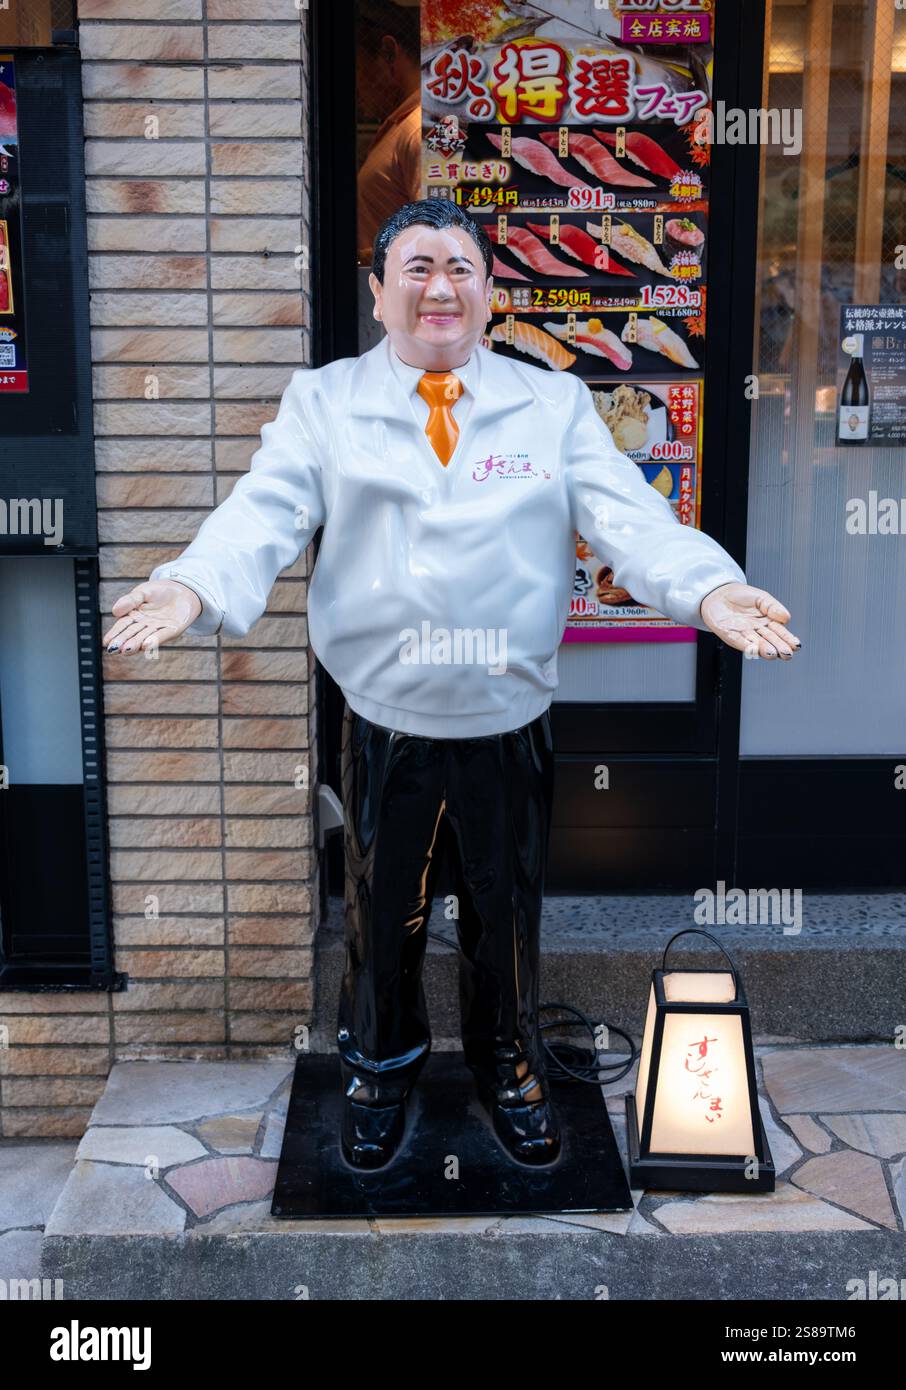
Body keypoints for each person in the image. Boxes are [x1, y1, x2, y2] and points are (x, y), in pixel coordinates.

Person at [103, 198, 800, 1172]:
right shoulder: (327, 404)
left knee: (504, 907)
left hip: (506, 711)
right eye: (418, 266)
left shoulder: (549, 405)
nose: (441, 285)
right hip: (385, 714)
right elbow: (262, 508)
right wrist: (190, 582)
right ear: (381, 290)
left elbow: (627, 517)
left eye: (462, 267)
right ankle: (379, 1070)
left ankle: (507, 1066)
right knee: (383, 911)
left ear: (488, 292)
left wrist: (710, 587)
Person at [355, 1, 422, 264]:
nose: (355, 86)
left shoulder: (417, 129)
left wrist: (361, 259)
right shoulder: (404, 125)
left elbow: (440, 238)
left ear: (388, 54)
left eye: (357, 68)